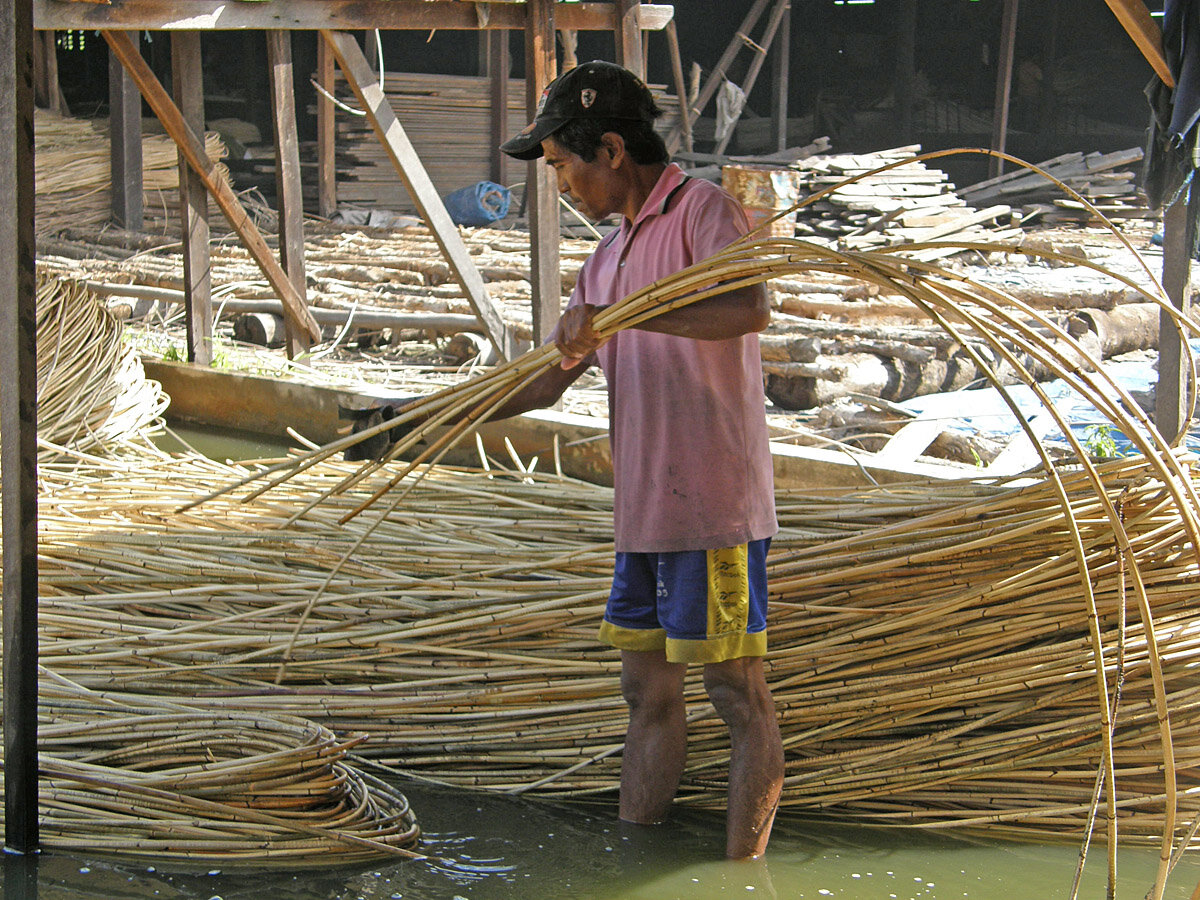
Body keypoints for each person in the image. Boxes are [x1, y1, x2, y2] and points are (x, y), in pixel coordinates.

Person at [351, 60, 782, 858]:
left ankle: (740, 878)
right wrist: (420, 419)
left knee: (736, 694)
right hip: (645, 512)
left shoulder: (702, 213)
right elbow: (547, 382)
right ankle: (633, 859)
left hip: (715, 509)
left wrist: (624, 317)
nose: (558, 185)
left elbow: (747, 308)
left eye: (561, 166)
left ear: (611, 150)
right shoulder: (605, 260)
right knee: (646, 693)